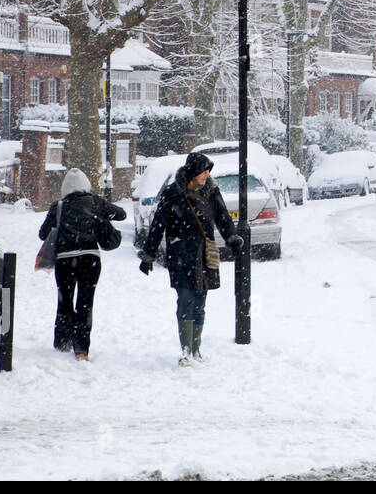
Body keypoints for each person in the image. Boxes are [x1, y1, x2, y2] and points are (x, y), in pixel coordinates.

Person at [138, 152, 243, 366]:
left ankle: (196, 349)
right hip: (181, 255)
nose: (207, 174)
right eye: (204, 170)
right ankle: (186, 350)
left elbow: (223, 217)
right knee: (185, 298)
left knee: (200, 301)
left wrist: (231, 237)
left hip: (205, 254)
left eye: (208, 171)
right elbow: (159, 223)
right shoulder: (173, 193)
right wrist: (148, 254)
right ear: (193, 172)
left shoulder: (212, 191)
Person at [38, 168, 127, 361]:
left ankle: (62, 342)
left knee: (65, 300)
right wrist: (100, 214)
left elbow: (43, 234)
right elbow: (121, 214)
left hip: (64, 260)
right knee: (85, 303)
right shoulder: (95, 202)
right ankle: (82, 349)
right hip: (90, 259)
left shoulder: (58, 206)